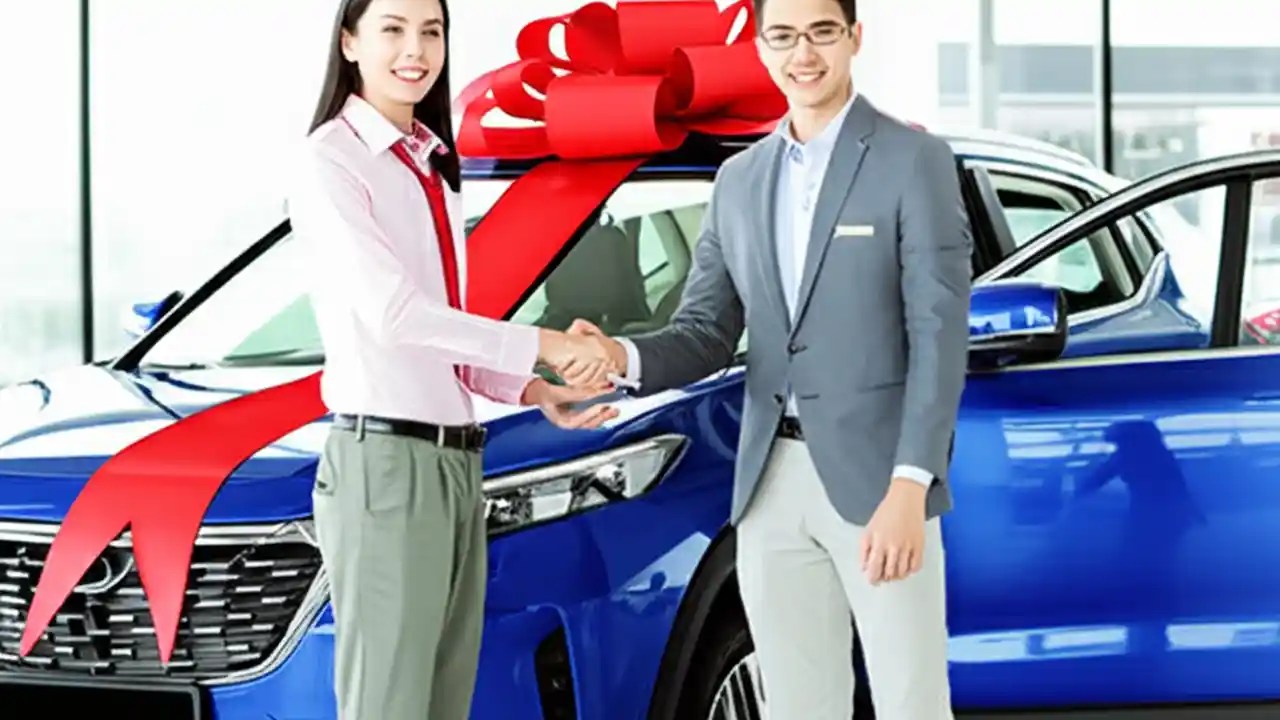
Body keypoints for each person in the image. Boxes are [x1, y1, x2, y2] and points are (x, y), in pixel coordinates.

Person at [566, 0, 972, 717]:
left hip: (880, 483)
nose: (803, 54)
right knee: (796, 704)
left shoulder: (914, 160)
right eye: (782, 37)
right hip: (768, 486)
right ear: (760, 48)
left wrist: (912, 485)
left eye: (821, 32)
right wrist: (619, 354)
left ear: (854, 37)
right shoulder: (740, 180)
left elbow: (940, 332)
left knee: (911, 700)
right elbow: (703, 332)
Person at [287, 0, 620, 718]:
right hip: (385, 467)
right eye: (393, 29)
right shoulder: (330, 161)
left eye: (431, 31)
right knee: (388, 706)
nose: (416, 49)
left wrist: (535, 387)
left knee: (442, 704)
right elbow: (397, 316)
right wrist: (548, 343)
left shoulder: (430, 163)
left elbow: (450, 339)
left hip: (455, 463)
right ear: (349, 41)